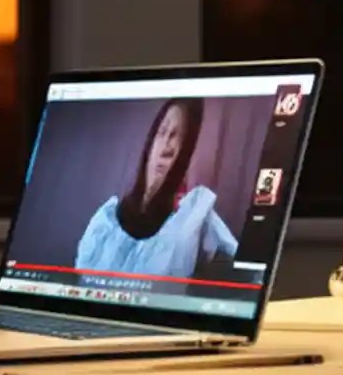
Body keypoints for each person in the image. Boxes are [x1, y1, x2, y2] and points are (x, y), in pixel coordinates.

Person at [74, 98, 238, 278]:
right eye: (162, 131)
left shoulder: (194, 218)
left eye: (179, 136)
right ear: (150, 141)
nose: (167, 148)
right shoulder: (106, 220)